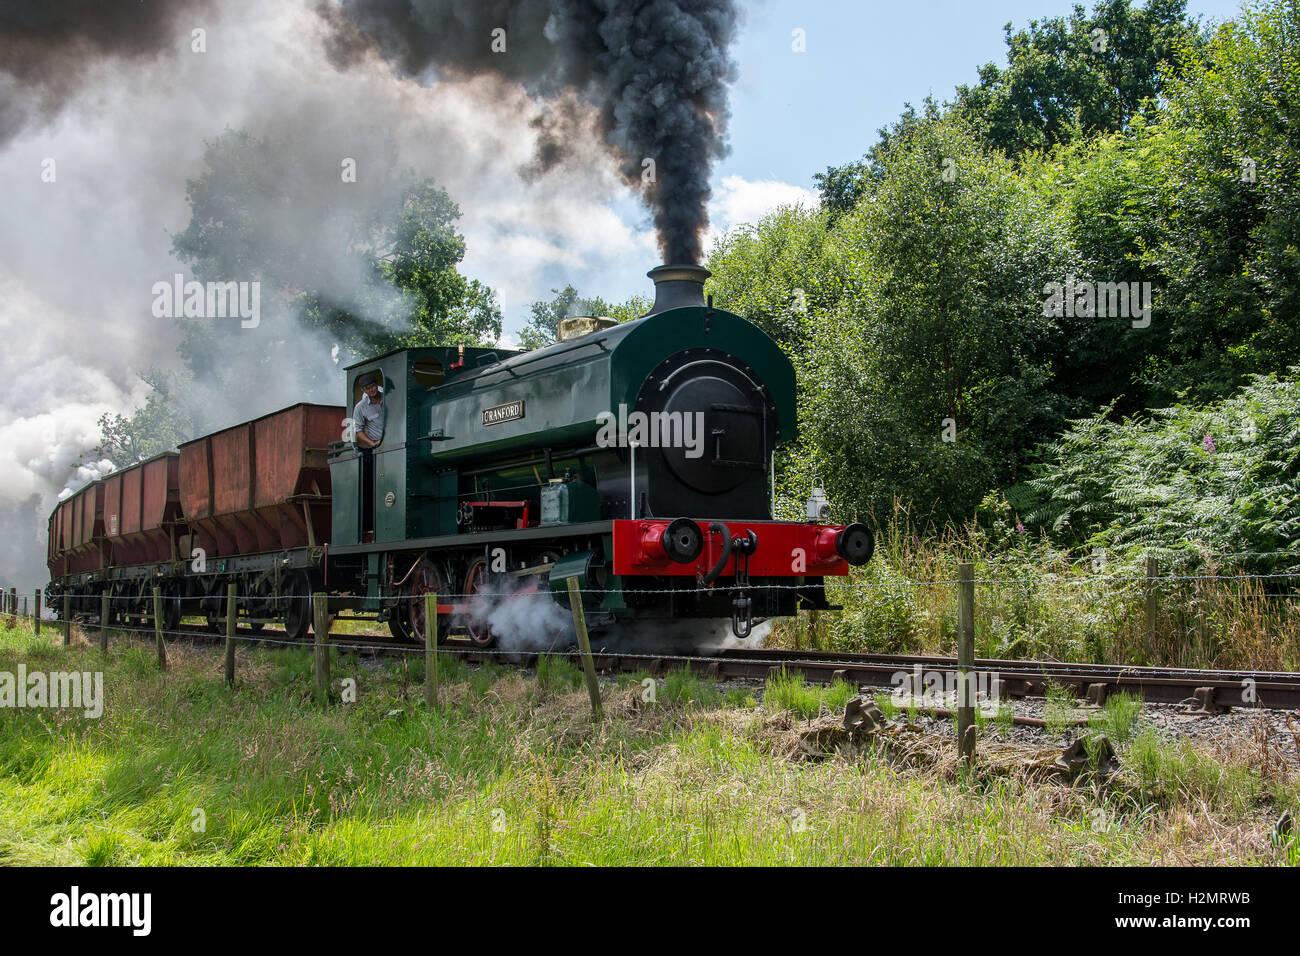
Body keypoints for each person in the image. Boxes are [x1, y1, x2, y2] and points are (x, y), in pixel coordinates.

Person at [353, 373, 386, 539]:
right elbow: (358, 432)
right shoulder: (360, 407)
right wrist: (372, 444)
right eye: (367, 388)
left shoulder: (389, 396)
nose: (371, 390)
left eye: (373, 386)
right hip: (378, 448)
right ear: (363, 390)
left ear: (376, 384)